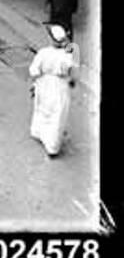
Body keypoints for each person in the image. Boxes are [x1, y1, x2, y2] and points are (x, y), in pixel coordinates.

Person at [28, 24, 80, 158]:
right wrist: (72, 82)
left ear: (51, 39)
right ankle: (52, 146)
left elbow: (34, 71)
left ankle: (38, 132)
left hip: (44, 84)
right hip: (60, 86)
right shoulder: (67, 56)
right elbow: (73, 73)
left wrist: (36, 82)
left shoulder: (43, 53)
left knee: (43, 109)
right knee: (57, 114)